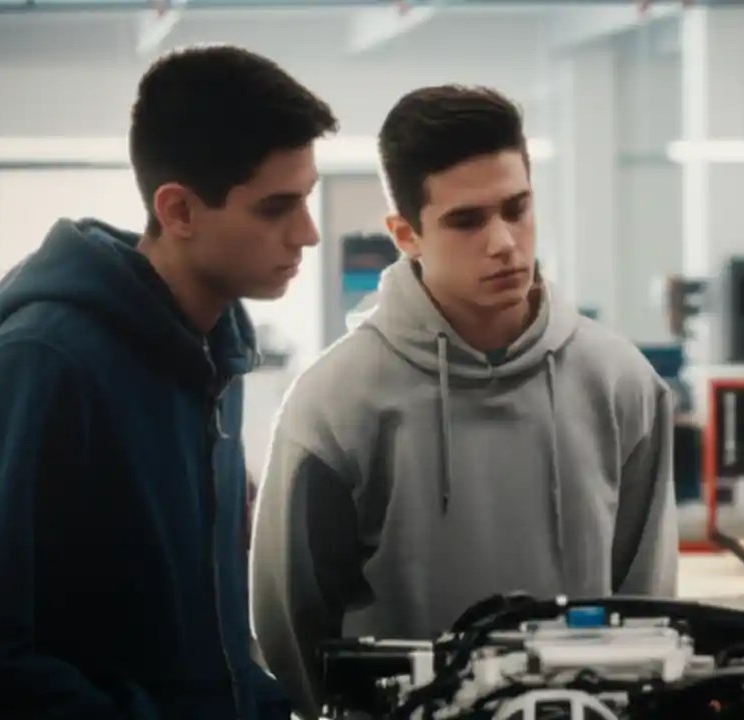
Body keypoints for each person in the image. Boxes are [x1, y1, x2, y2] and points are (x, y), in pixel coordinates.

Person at [249, 84, 679, 718]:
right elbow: (293, 631)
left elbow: (648, 609)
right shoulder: (334, 404)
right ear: (405, 234)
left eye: (517, 208)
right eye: (467, 220)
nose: (504, 241)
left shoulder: (621, 383)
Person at [0, 45, 337, 719]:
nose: (307, 234)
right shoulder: (39, 365)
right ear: (180, 211)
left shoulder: (216, 364)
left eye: (307, 199)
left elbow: (201, 649)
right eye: (276, 207)